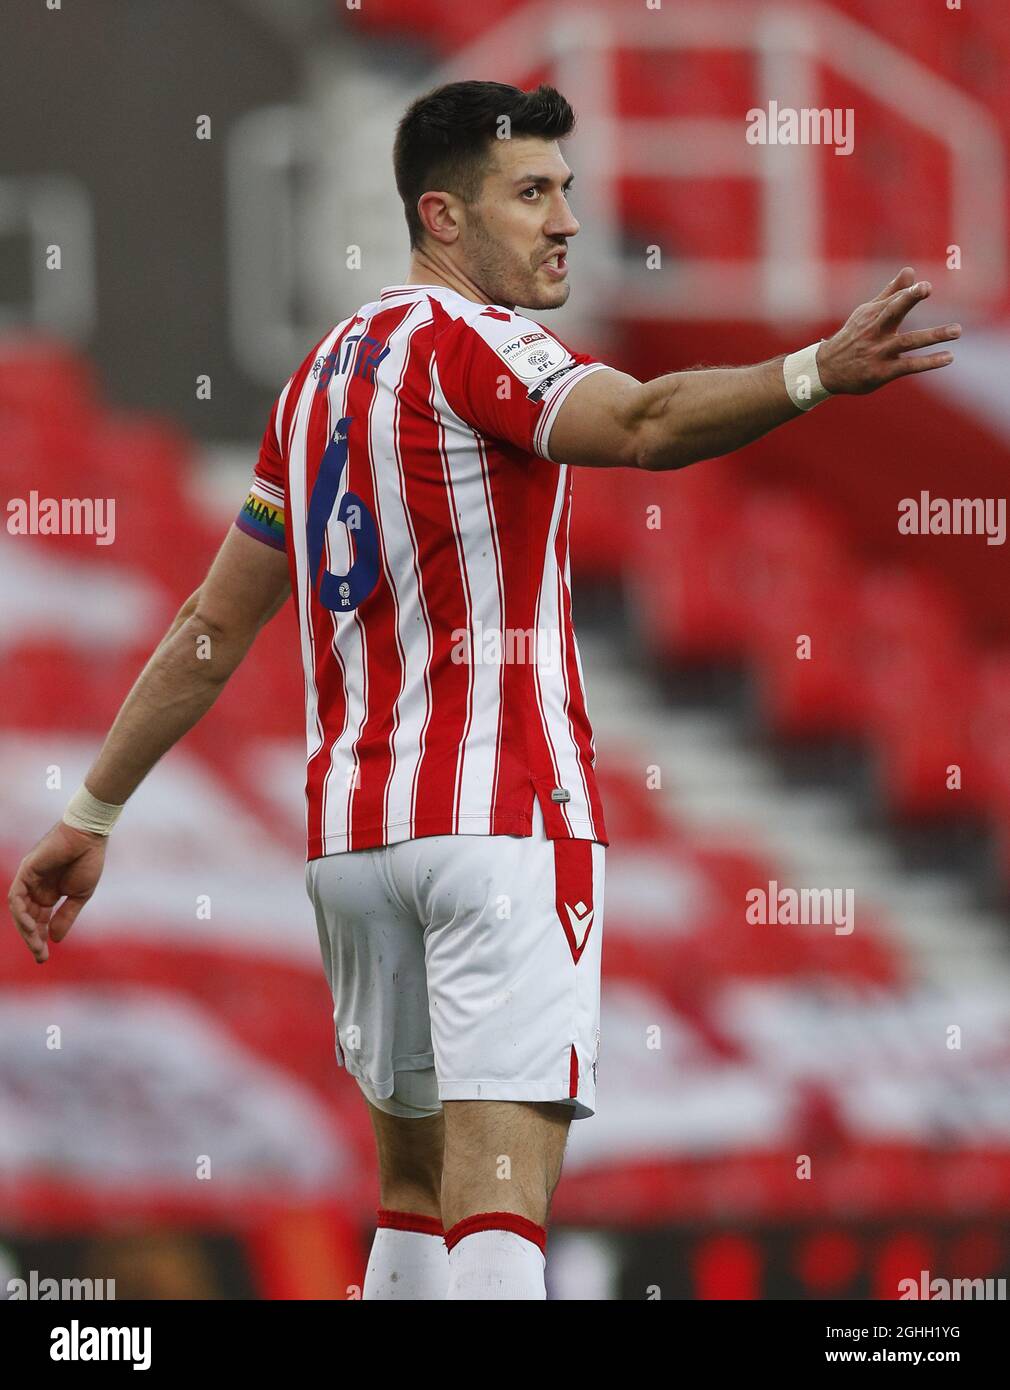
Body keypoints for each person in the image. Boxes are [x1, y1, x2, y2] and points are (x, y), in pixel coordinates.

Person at [7, 80, 960, 1300]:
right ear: (440, 217)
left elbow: (209, 624)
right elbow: (649, 423)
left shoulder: (312, 388)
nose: (565, 219)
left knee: (411, 1197)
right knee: (501, 1202)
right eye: (531, 193)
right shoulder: (482, 342)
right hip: (501, 819)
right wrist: (812, 374)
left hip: (355, 843)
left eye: (565, 188)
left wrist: (90, 813)